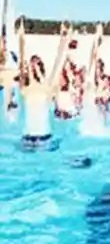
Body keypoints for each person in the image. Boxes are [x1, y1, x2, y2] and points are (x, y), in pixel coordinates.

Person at [15, 21, 71, 149]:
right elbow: (22, 60)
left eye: (36, 65)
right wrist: (21, 38)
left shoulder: (46, 86)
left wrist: (64, 39)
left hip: (43, 139)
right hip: (29, 139)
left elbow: (58, 60)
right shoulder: (26, 87)